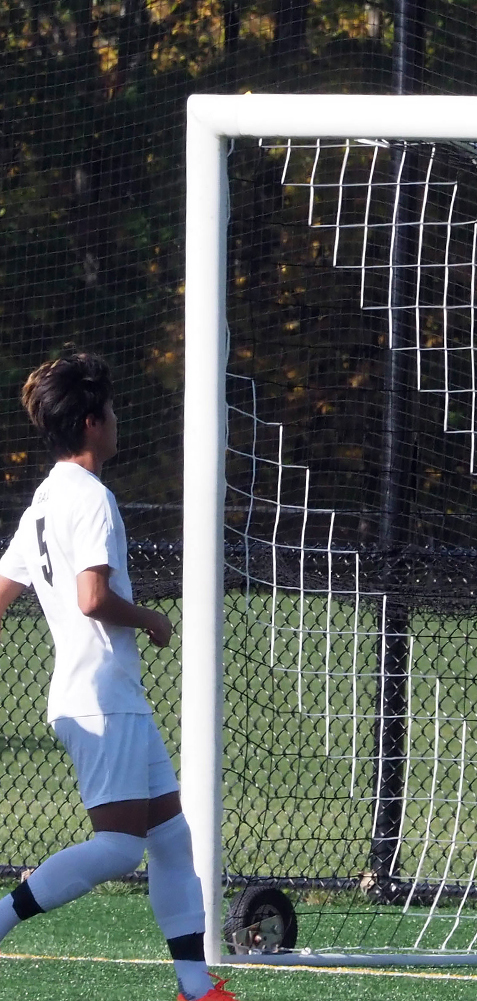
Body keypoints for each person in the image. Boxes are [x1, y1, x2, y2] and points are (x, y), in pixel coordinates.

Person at [0, 354, 236, 1001]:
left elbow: (2, 593)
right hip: (103, 695)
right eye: (111, 411)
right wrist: (154, 621)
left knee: (169, 835)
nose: (118, 420)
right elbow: (91, 598)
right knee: (118, 849)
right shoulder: (92, 498)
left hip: (102, 696)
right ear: (90, 421)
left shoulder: (44, 501)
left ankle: (195, 986)